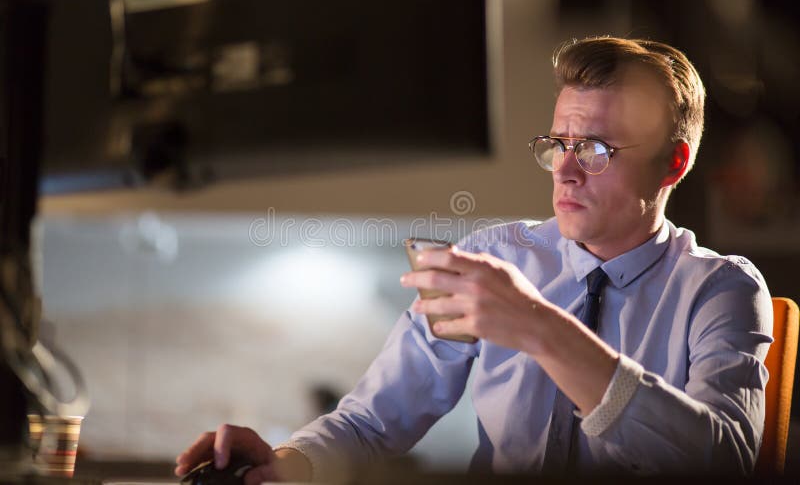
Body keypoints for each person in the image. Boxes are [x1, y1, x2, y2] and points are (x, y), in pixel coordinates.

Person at [174, 36, 773, 483]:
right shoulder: (494, 257)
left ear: (673, 163)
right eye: (559, 143)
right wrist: (286, 463)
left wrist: (541, 328)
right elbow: (371, 422)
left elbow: (724, 461)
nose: (565, 170)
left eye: (596, 148)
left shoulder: (720, 289)